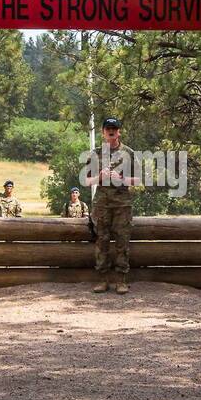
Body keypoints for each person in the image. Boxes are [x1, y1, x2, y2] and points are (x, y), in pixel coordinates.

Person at [82, 117, 139, 294]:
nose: (111, 131)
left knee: (122, 242)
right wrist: (99, 177)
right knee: (102, 241)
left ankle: (121, 281)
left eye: (114, 128)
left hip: (122, 205)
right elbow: (85, 181)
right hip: (102, 206)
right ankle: (103, 280)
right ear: (103, 132)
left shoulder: (128, 153)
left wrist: (121, 179)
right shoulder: (95, 154)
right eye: (108, 129)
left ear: (119, 131)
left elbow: (137, 180)